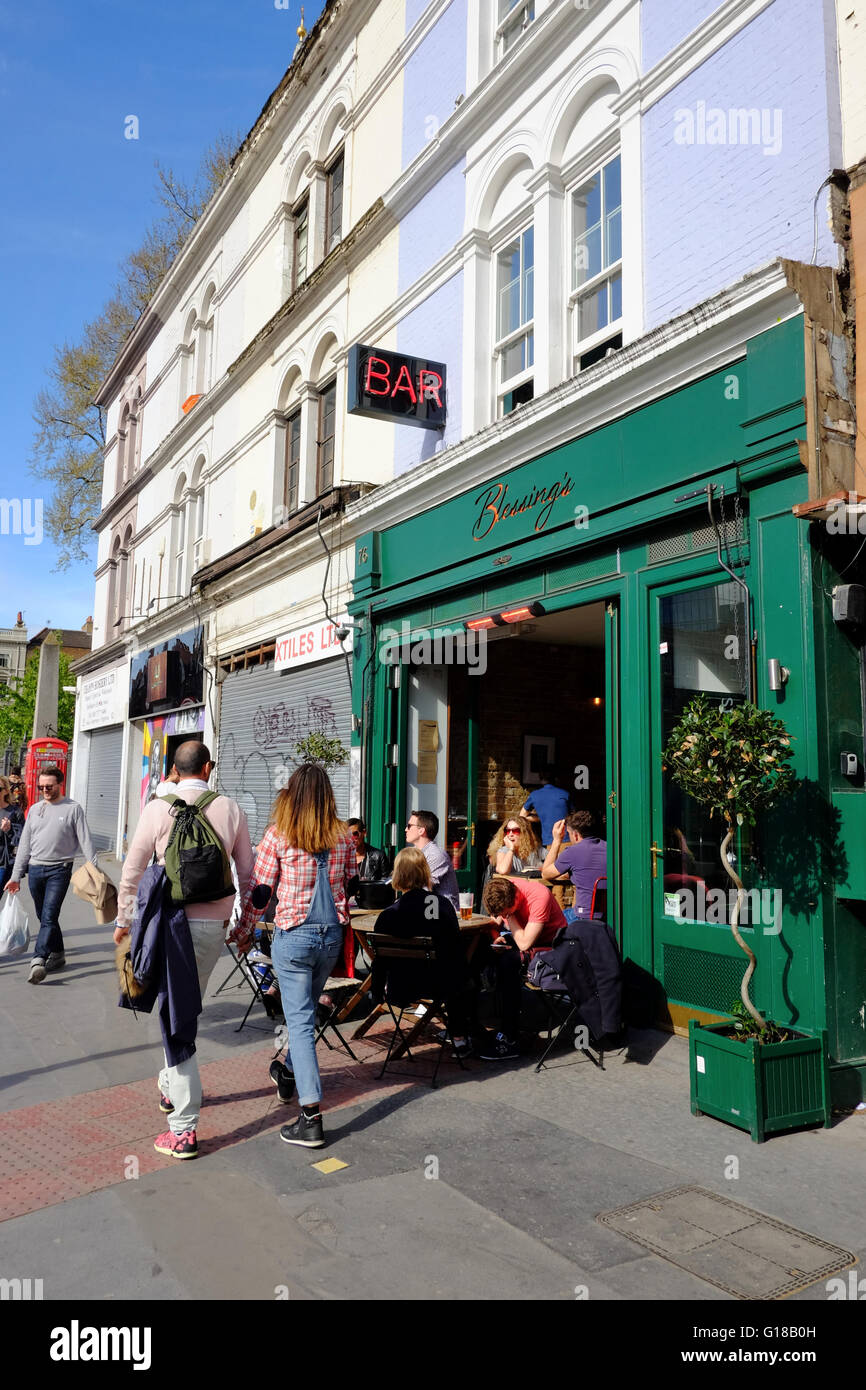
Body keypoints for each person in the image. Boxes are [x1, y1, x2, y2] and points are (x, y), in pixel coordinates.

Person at [115, 740, 254, 1160]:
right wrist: (245, 924)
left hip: (168, 923)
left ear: (175, 770)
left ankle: (184, 1127)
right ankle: (170, 1083)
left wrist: (124, 920)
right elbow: (248, 873)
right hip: (214, 926)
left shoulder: (158, 808)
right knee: (179, 1006)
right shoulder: (230, 808)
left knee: (177, 1020)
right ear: (208, 767)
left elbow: (133, 869)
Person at [231, 763, 354, 1150]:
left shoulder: (280, 835)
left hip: (294, 935)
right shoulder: (343, 837)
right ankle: (286, 1072)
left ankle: (311, 1118)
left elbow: (261, 892)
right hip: (330, 935)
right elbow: (351, 880)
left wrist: (245, 930)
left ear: (292, 793)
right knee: (304, 1015)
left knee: (299, 1022)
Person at [373, 847, 473, 1058]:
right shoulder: (439, 905)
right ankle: (459, 1038)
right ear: (424, 872)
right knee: (461, 972)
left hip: (401, 988)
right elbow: (454, 949)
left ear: (398, 873)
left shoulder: (389, 914)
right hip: (440, 986)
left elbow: (380, 961)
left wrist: (376, 990)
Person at [5, 765, 98, 984]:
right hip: (36, 869)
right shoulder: (36, 809)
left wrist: (95, 870)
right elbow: (24, 845)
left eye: (49, 786)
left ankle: (38, 960)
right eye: (41, 787)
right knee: (45, 916)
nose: (45, 790)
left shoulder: (73, 809)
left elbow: (86, 841)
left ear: (60, 785)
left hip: (60, 869)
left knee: (48, 915)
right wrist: (16, 876)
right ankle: (58, 954)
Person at [477, 874, 567, 1061]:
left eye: (506, 912)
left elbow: (525, 943)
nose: (503, 916)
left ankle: (510, 1037)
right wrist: (496, 936)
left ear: (515, 898)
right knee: (480, 951)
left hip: (550, 947)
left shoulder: (538, 895)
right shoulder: (505, 891)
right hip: (526, 940)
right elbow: (495, 923)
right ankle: (471, 1027)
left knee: (508, 962)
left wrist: (510, 917)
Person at [542, 811, 608, 918]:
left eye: (569, 833)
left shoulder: (572, 852)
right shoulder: (609, 848)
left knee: (550, 919)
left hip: (584, 917)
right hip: (610, 915)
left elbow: (546, 874)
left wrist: (557, 840)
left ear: (575, 835)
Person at [405, 810, 459, 912]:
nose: (405, 829)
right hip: (427, 911)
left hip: (444, 917)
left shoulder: (436, 855)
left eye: (409, 826)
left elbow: (422, 888)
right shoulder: (415, 853)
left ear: (421, 830)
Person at [520, 768, 573, 850]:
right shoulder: (565, 794)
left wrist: (540, 818)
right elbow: (573, 816)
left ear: (540, 779)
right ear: (556, 778)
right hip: (568, 838)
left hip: (550, 841)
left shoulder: (534, 795)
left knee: (551, 862)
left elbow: (522, 816)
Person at [485, 816, 543, 881]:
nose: (510, 834)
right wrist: (511, 849)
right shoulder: (504, 850)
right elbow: (503, 870)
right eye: (507, 830)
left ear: (525, 833)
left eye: (515, 831)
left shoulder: (536, 850)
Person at [346, 817, 389, 898]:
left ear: (364, 833)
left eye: (355, 834)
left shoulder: (379, 856)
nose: (352, 839)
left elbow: (386, 884)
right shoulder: (343, 858)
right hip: (348, 905)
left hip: (370, 903)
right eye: (348, 836)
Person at [0, 776, 25, 892]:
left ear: (5, 791)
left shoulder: (15, 812)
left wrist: (9, 830)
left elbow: (22, 840)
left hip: (2, 864)